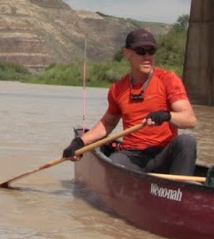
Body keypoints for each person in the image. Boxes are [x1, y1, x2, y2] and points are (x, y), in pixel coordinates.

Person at [62, 28, 198, 175]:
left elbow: (190, 120)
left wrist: (167, 116)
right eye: (141, 51)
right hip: (133, 156)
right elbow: (107, 124)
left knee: (186, 141)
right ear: (127, 52)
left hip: (163, 155)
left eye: (151, 51)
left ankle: (178, 191)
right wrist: (79, 142)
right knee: (114, 165)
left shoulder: (168, 79)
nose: (147, 56)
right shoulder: (117, 89)